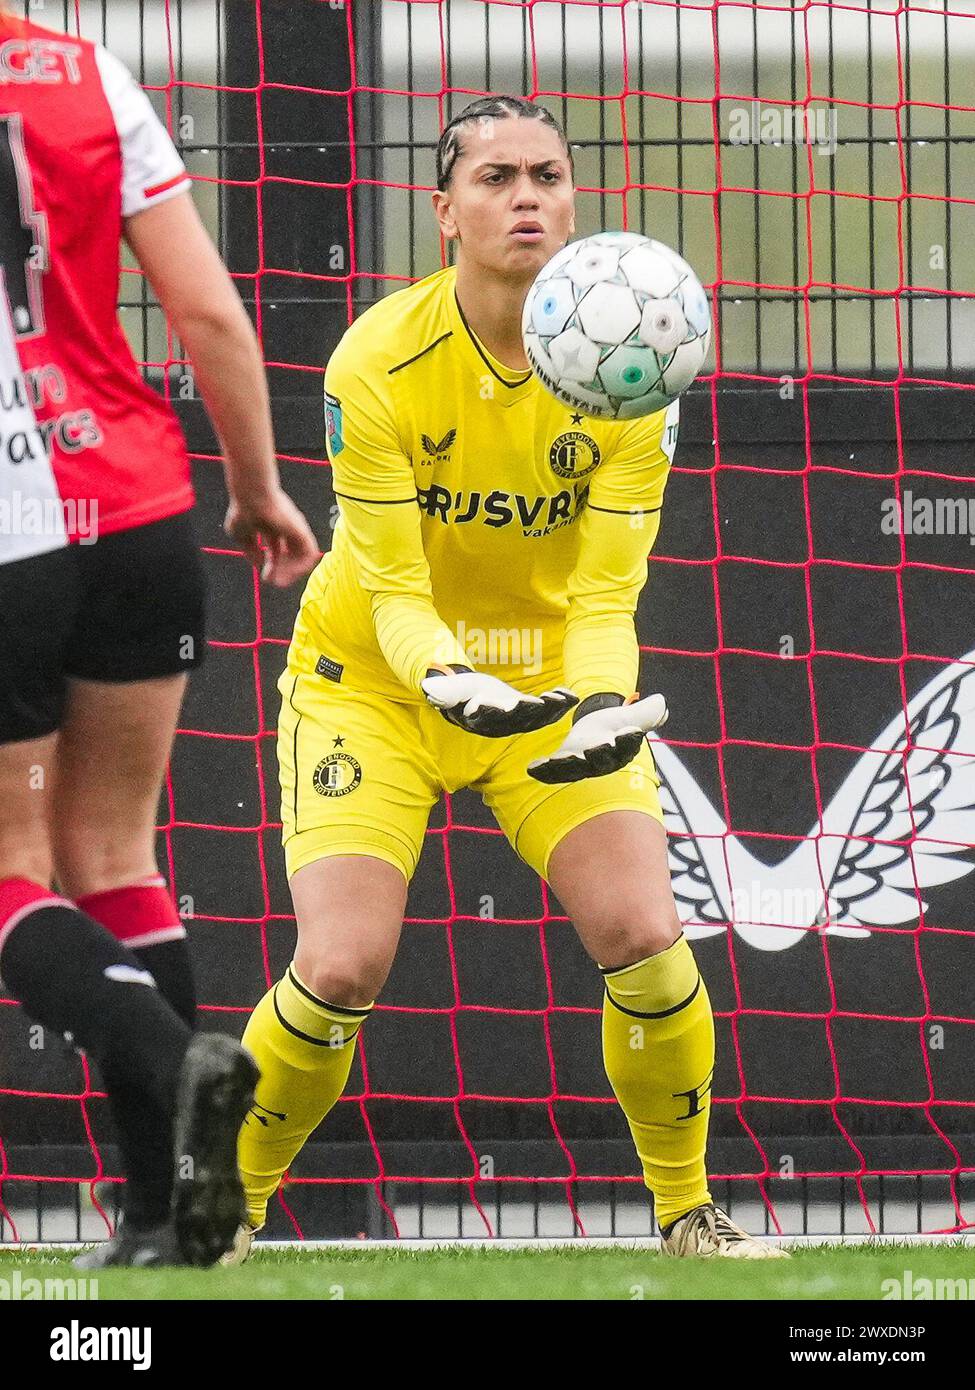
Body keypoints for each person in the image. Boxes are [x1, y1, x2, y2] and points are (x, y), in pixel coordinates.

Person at [229, 96, 787, 1260]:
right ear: (443, 212)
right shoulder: (377, 357)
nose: (526, 195)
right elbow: (387, 585)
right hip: (371, 684)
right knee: (341, 962)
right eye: (495, 178)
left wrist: (593, 706)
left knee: (642, 927)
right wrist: (442, 675)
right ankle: (216, 1207)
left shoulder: (636, 359)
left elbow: (603, 590)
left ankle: (689, 1213)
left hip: (540, 694)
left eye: (547, 173)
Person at [0, 7, 319, 1266]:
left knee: (15, 864)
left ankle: (168, 1052)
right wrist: (257, 487)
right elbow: (211, 316)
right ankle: (167, 1212)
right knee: (116, 852)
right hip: (136, 507)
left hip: (9, 530)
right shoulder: (83, 72)